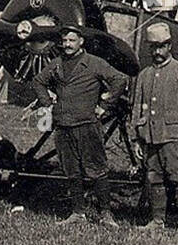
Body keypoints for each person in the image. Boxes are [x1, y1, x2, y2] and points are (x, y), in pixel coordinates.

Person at [32, 23, 128, 226]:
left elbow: (119, 79)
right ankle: (78, 213)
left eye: (72, 40)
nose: (67, 44)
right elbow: (39, 81)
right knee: (71, 170)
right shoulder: (57, 64)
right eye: (64, 40)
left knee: (97, 170)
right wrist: (47, 103)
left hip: (87, 126)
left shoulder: (93, 63)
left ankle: (106, 214)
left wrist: (104, 105)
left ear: (81, 42)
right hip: (63, 125)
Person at [130, 22, 178, 235]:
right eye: (153, 47)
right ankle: (157, 220)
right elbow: (137, 109)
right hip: (150, 137)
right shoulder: (144, 75)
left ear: (169, 46)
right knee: (154, 178)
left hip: (173, 137)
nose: (157, 52)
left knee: (177, 178)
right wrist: (136, 139)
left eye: (161, 46)